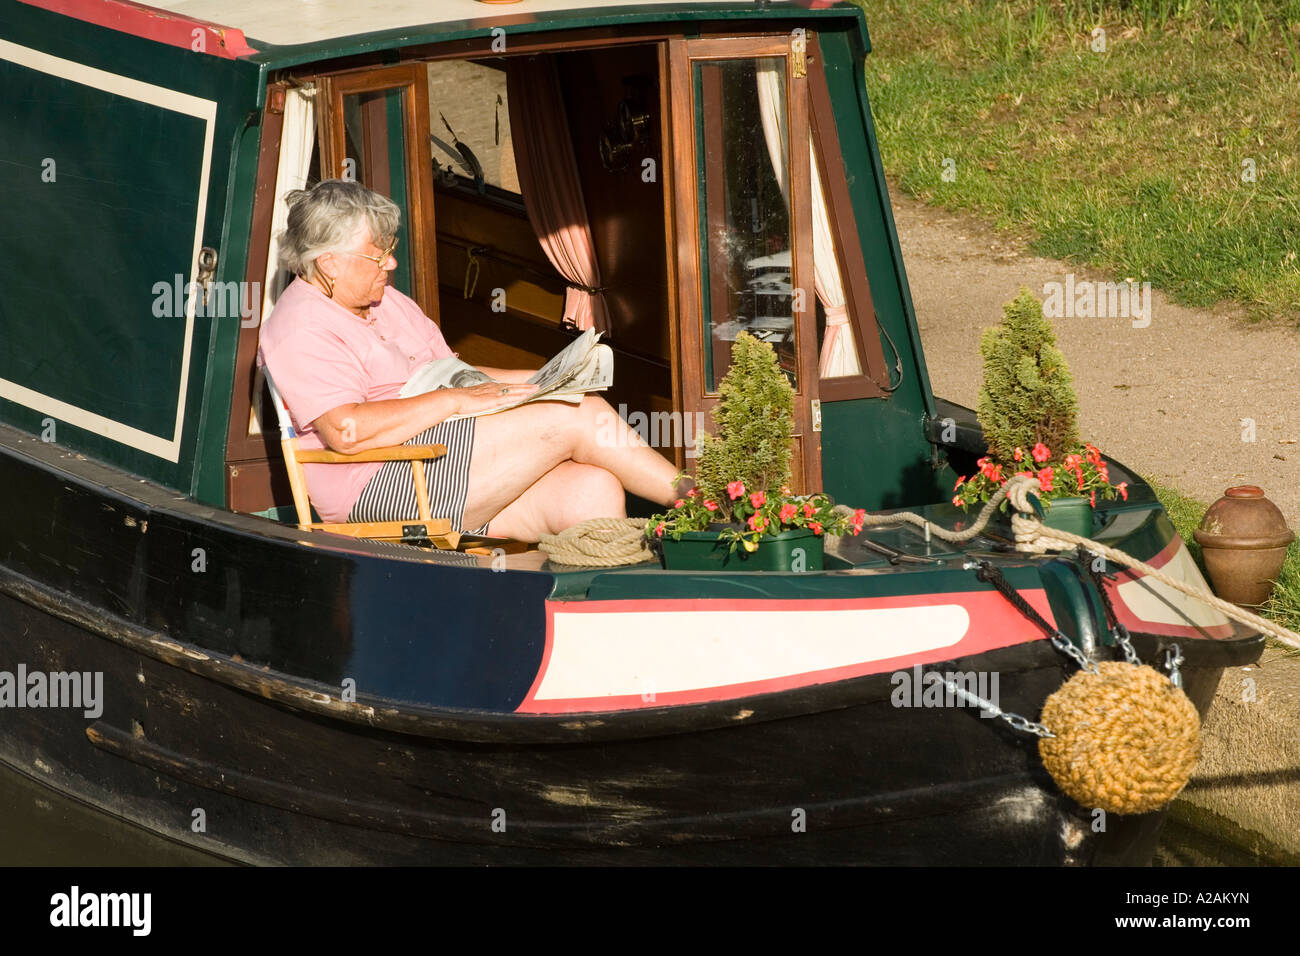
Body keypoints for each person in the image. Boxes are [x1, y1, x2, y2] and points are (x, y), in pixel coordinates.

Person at [258, 179, 680, 542]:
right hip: (379, 480)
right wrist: (453, 403)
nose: (391, 263)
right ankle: (702, 510)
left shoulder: (386, 302)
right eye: (376, 254)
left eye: (391, 248)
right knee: (579, 413)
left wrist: (545, 379)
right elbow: (346, 432)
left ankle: (600, 616)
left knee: (591, 489)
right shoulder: (302, 326)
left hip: (440, 457)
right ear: (329, 262)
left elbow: (453, 373)